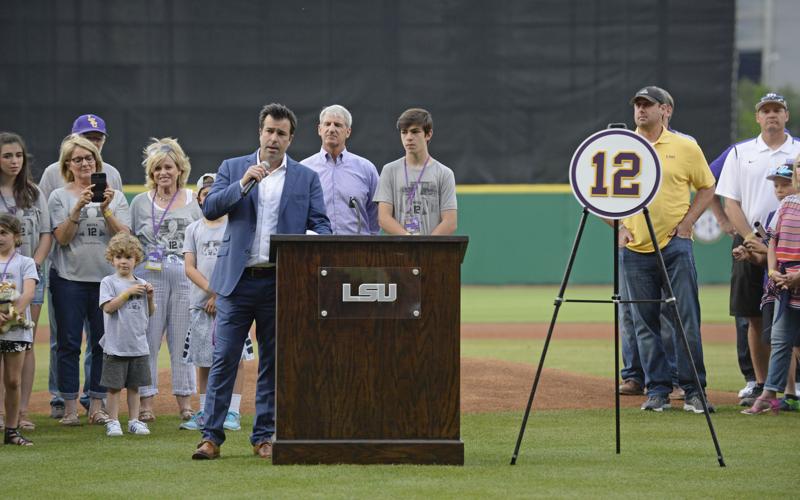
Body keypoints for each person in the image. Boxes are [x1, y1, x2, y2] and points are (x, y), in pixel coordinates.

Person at [192, 103, 331, 460]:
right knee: (224, 359)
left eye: (281, 133)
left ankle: (263, 436)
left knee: (272, 361)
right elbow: (210, 209)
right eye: (269, 131)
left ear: (290, 139)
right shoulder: (233, 168)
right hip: (236, 284)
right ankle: (211, 437)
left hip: (279, 283)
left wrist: (313, 242)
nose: (274, 138)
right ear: (260, 132)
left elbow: (322, 225)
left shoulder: (305, 178)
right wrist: (243, 183)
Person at [619, 86, 715, 413]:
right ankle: (657, 390)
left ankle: (694, 390)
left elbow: (707, 186)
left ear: (666, 110)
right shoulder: (621, 146)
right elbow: (594, 190)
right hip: (635, 249)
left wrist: (688, 223)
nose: (641, 110)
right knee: (644, 323)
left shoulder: (685, 147)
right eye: (638, 105)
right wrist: (617, 227)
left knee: (686, 318)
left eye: (648, 105)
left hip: (675, 245)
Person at [715, 92, 800, 406]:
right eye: (766, 110)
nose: (772, 115)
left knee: (791, 313)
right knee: (752, 313)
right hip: (751, 238)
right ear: (758, 117)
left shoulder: (798, 151)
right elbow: (730, 200)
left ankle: (792, 386)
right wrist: (748, 235)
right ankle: (757, 381)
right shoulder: (741, 152)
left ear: (786, 115)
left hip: (794, 242)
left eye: (778, 109)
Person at [41, 114, 123, 420]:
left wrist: (106, 211)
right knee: (67, 343)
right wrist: (76, 208)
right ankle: (67, 405)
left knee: (102, 344)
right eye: (79, 159)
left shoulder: (111, 179)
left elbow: (124, 238)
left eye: (90, 157)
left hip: (104, 278)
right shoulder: (57, 189)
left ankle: (97, 405)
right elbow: (60, 237)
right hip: (68, 277)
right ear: (69, 163)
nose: (85, 163)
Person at [129, 138, 202, 422]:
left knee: (183, 341)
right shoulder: (139, 203)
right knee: (148, 341)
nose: (163, 172)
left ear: (179, 169)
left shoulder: (195, 199)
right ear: (151, 172)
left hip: (185, 278)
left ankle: (185, 401)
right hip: (150, 277)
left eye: (168, 167)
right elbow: (132, 241)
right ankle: (146, 402)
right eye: (158, 168)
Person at [180, 173, 254, 432]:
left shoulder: (234, 226)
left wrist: (219, 295)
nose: (210, 197)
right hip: (201, 303)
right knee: (203, 358)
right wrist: (210, 292)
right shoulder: (193, 229)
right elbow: (190, 267)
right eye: (205, 194)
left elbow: (239, 263)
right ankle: (205, 410)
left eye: (215, 193)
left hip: (231, 302)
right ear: (200, 200)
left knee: (236, 357)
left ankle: (232, 412)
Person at [0, 133, 51, 432]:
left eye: (18, 155)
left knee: (24, 343)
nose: (14, 161)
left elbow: (46, 233)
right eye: (7, 156)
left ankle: (21, 411)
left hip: (28, 275)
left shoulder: (33, 193)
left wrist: (34, 265)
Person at [744, 156, 800, 414]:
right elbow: (774, 242)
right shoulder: (787, 204)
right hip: (786, 284)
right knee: (780, 339)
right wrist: (773, 270)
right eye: (799, 166)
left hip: (795, 279)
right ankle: (769, 395)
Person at [98, 233, 155, 436]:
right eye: (119, 257)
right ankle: (113, 421)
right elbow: (109, 308)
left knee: (134, 386)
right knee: (114, 387)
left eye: (129, 257)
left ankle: (134, 420)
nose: (124, 261)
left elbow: (150, 312)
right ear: (112, 259)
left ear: (136, 260)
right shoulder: (108, 282)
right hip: (116, 345)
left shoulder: (141, 281)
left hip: (138, 344)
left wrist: (149, 297)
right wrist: (127, 293)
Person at [375, 108, 457, 235]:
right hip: (400, 251)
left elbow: (450, 222)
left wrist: (425, 247)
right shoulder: (389, 170)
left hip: (432, 252)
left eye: (415, 132)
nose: (408, 137)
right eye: (404, 132)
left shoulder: (444, 173)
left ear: (428, 134)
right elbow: (384, 218)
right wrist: (409, 239)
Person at [301, 105, 380, 234]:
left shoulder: (366, 169)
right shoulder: (304, 169)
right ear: (320, 129)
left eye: (337, 125)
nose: (331, 129)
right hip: (317, 248)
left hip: (358, 249)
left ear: (348, 132)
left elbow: (376, 213)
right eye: (327, 124)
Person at [0, 214, 39, 446]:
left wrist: (10, 316)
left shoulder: (25, 262)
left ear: (16, 236)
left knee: (13, 381)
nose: (0, 238)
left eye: (4, 233)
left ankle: (12, 430)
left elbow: (29, 293)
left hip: (16, 330)